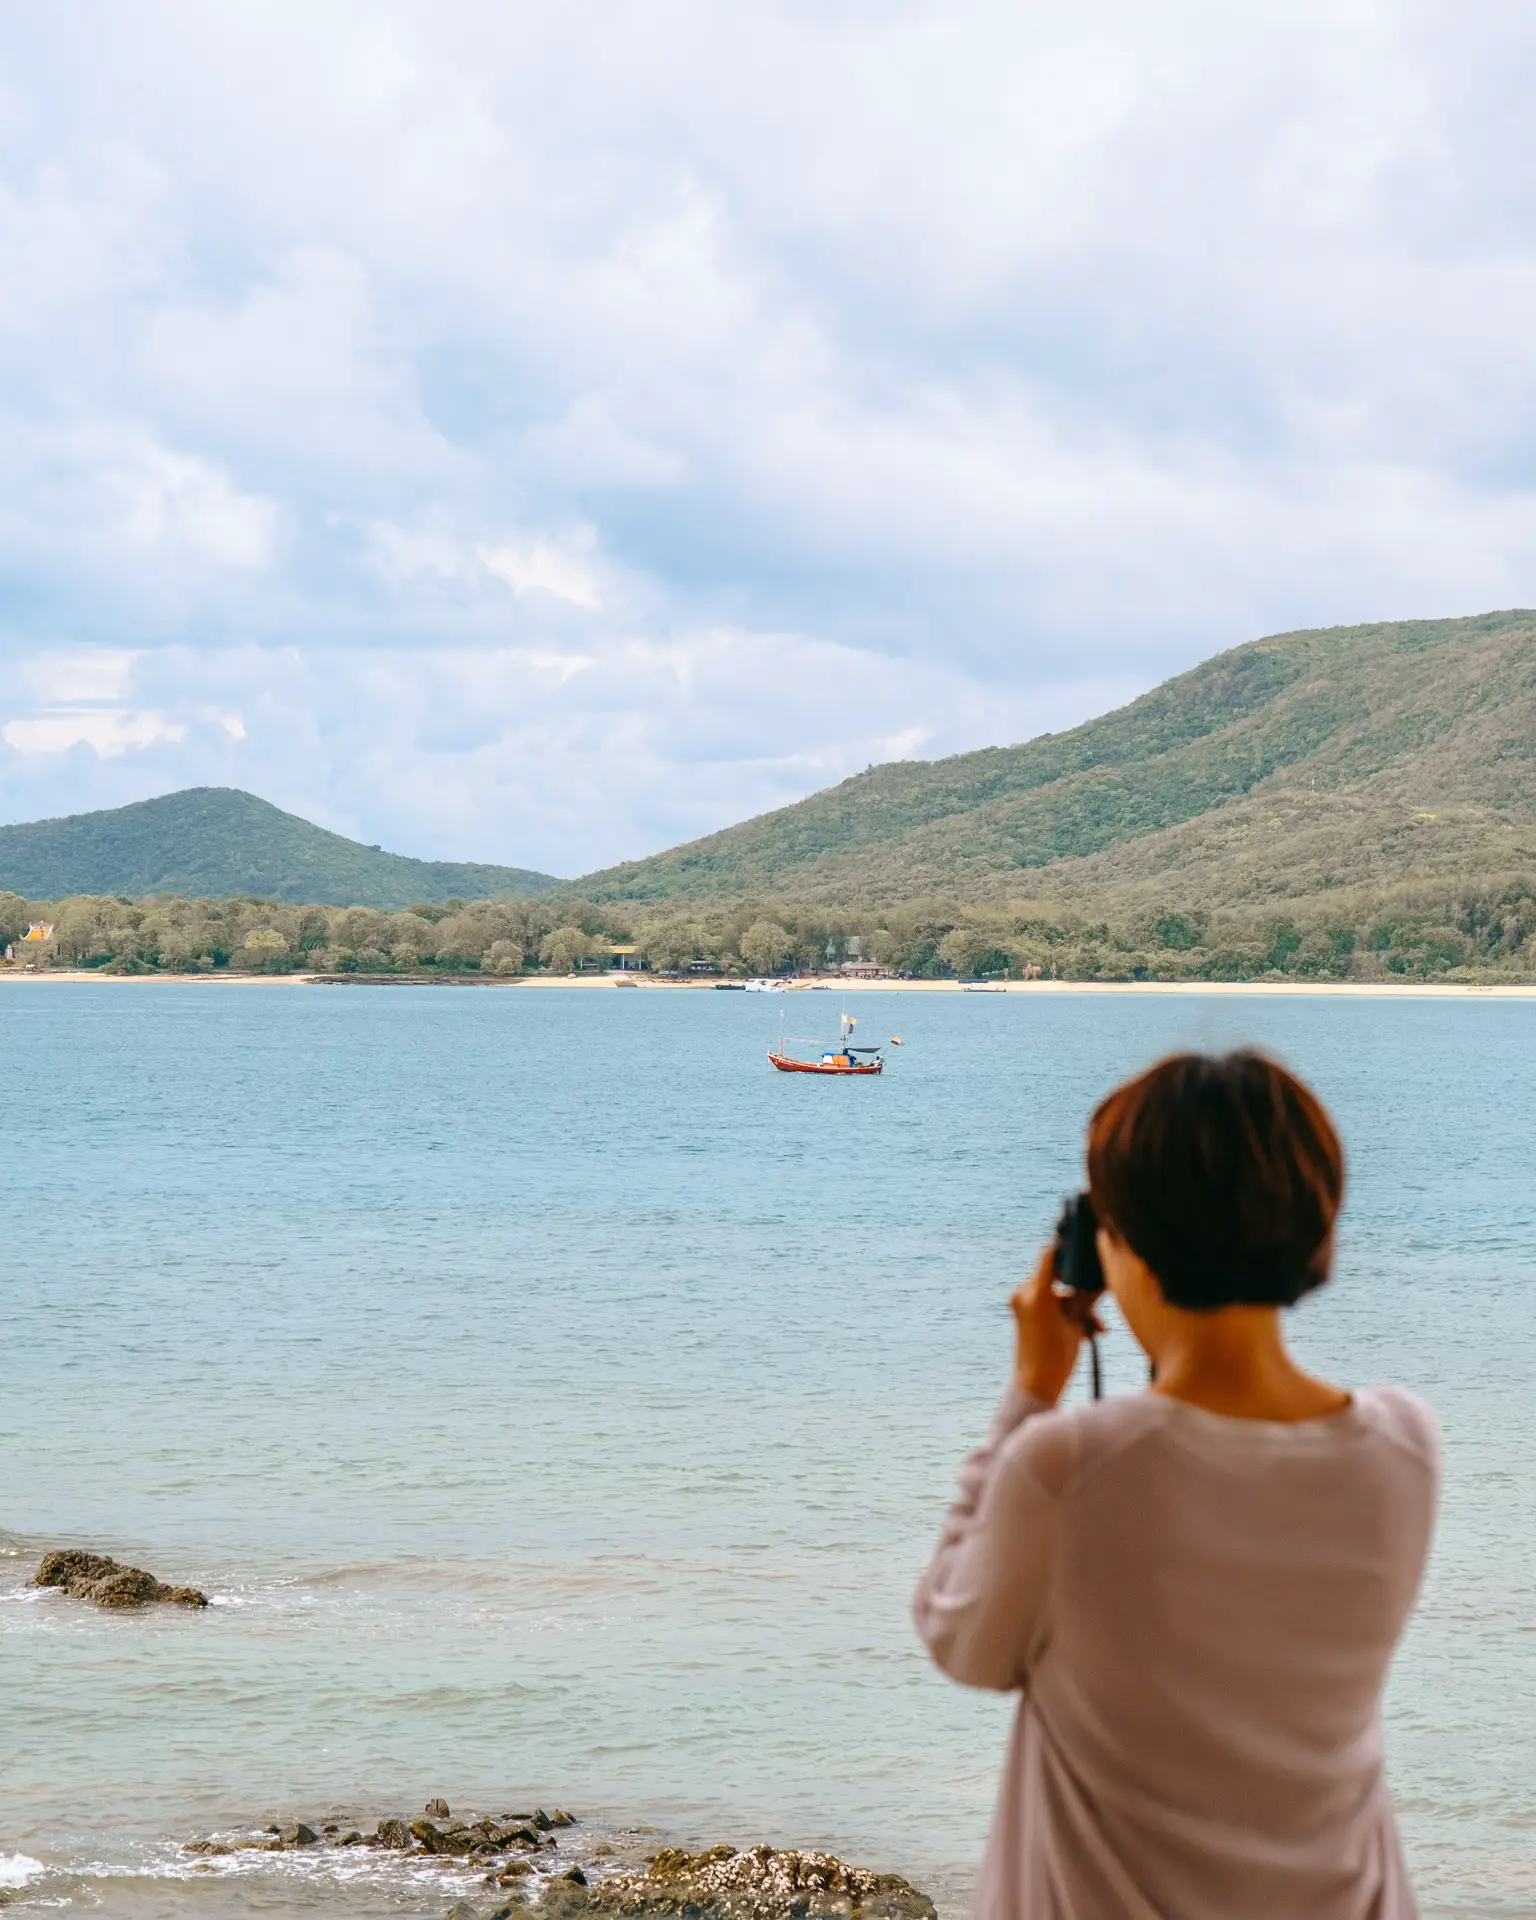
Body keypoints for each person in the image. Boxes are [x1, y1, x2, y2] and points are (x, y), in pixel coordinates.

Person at [913, 1050, 1438, 1920]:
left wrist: (1031, 1392)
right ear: (1318, 1222)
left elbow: (961, 1641)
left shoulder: (1069, 1463)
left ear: (1120, 1242)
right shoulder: (1404, 1445)